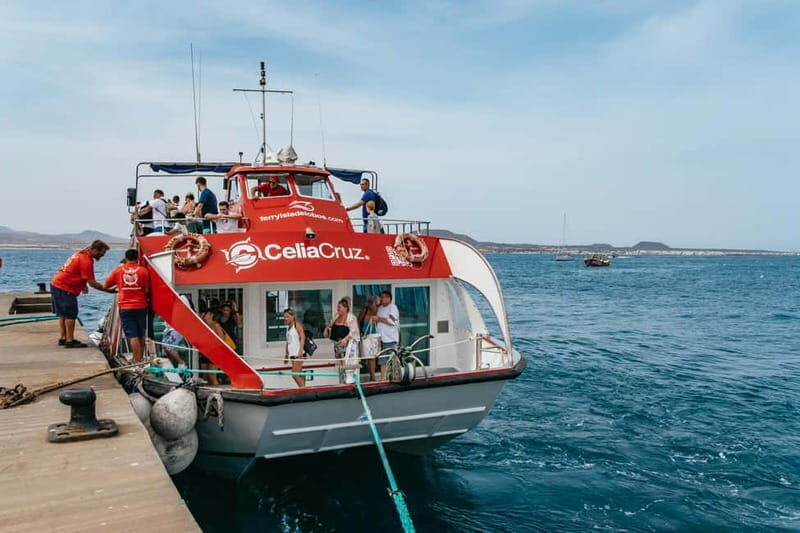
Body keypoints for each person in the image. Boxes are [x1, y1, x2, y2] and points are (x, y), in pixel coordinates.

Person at [50, 240, 116, 348]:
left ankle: (63, 338)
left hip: (57, 284)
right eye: (102, 252)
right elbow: (93, 283)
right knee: (70, 314)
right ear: (95, 250)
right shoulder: (86, 260)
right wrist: (109, 290)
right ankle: (70, 341)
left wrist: (82, 285)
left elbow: (77, 272)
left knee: (63, 314)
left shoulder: (81, 254)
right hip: (65, 287)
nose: (103, 255)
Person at [103, 249, 150, 362]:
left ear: (126, 257)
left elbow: (105, 285)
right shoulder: (143, 271)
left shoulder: (118, 270)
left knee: (131, 333)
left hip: (125, 306)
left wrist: (117, 289)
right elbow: (147, 290)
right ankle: (141, 358)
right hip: (140, 305)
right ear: (137, 257)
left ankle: (136, 359)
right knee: (140, 333)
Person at [324, 297, 360, 383]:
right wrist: (327, 328)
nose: (338, 308)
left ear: (345, 308)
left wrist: (345, 339)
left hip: (348, 344)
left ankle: (348, 380)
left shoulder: (351, 317)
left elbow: (354, 331)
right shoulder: (336, 316)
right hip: (337, 343)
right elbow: (331, 324)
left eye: (339, 307)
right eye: (338, 307)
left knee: (346, 361)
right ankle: (342, 380)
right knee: (341, 361)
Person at [372, 290, 399, 380]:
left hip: (390, 339)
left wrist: (378, 318)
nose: (381, 299)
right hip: (381, 339)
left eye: (383, 297)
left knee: (391, 361)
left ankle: (393, 378)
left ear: (388, 298)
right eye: (381, 297)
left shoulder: (393, 308)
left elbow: (392, 322)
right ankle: (383, 379)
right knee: (382, 361)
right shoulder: (380, 309)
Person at [357, 295, 380, 380]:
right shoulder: (365, 311)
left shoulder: (378, 312)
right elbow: (358, 321)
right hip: (365, 336)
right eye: (376, 305)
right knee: (368, 356)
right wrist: (359, 333)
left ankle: (373, 376)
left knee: (373, 357)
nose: (377, 307)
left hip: (375, 336)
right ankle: (371, 376)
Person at [283, 308, 307, 388]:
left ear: (292, 316)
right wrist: (286, 354)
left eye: (287, 317)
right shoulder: (288, 328)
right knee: (299, 372)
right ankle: (303, 388)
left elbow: (303, 337)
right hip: (292, 353)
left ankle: (303, 389)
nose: (286, 319)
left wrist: (300, 350)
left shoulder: (297, 325)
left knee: (294, 374)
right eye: (285, 317)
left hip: (298, 353)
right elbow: (288, 341)